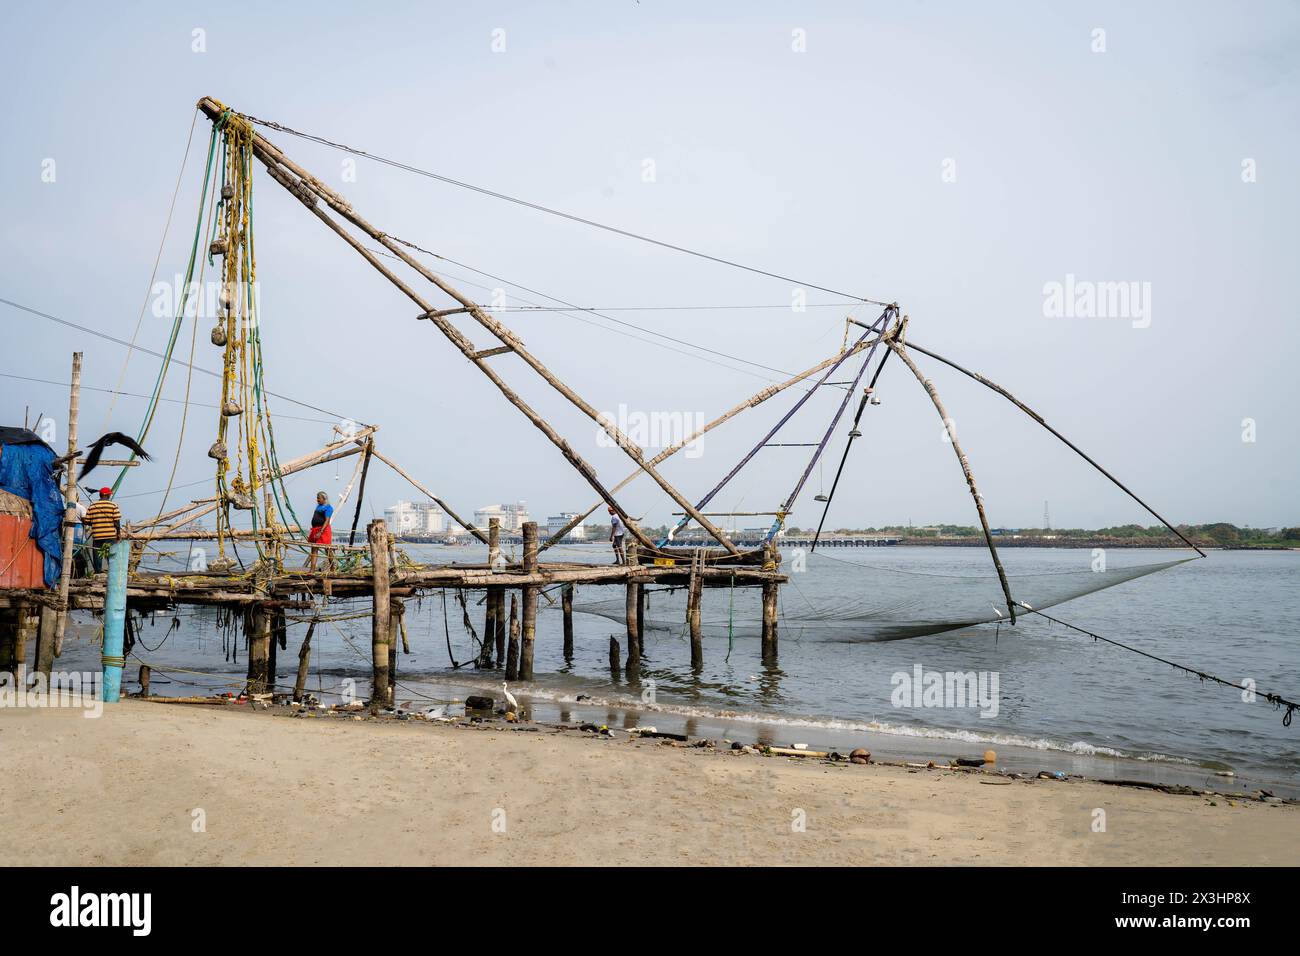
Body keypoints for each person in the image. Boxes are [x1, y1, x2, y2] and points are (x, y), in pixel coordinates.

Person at [83, 487, 121, 573]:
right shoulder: (113, 505)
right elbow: (117, 521)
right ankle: (113, 573)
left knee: (97, 556)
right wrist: (118, 533)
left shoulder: (92, 506)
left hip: (97, 535)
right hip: (110, 535)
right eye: (109, 494)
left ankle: (98, 573)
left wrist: (96, 522)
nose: (109, 496)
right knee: (111, 555)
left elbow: (87, 521)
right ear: (106, 495)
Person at [306, 491, 335, 572]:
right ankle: (312, 570)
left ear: (324, 499)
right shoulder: (318, 507)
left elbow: (327, 521)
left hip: (324, 530)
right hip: (315, 529)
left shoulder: (328, 507)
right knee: (314, 549)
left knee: (328, 549)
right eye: (317, 498)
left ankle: (332, 569)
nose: (317, 499)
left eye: (319, 498)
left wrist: (321, 532)